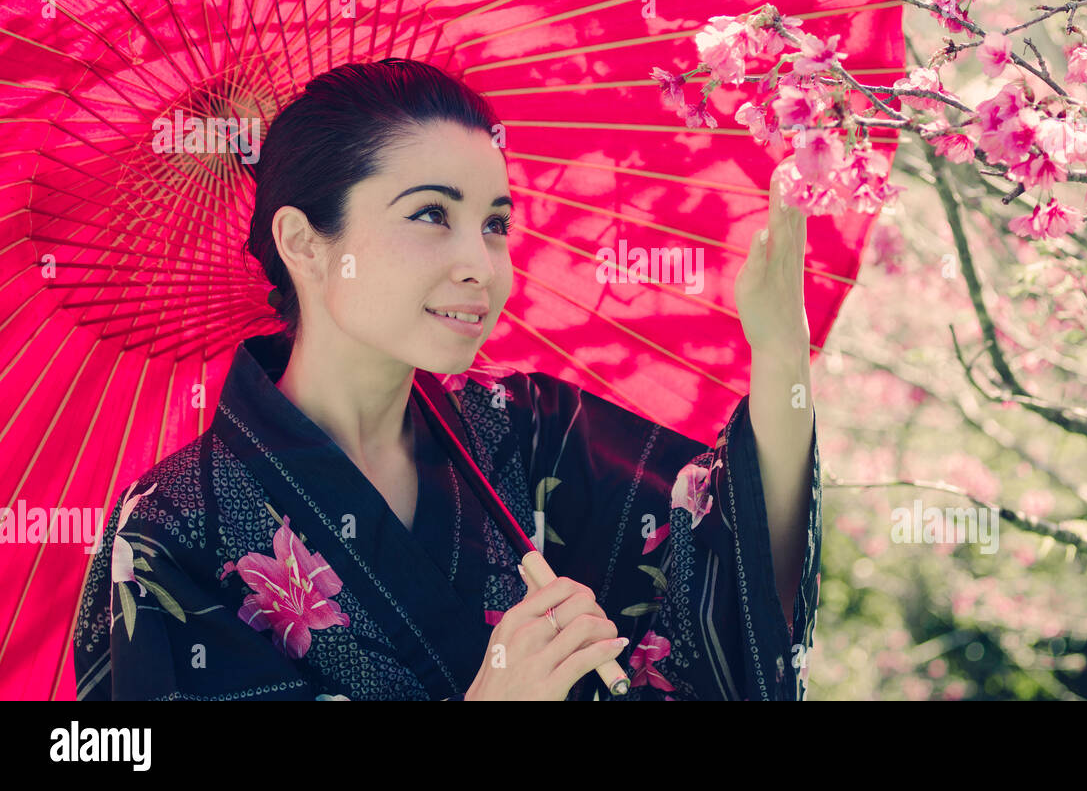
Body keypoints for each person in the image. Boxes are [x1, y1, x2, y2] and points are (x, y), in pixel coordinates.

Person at [72, 58, 822, 700]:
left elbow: (731, 568)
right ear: (303, 242)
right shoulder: (175, 528)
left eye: (496, 223)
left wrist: (783, 359)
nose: (480, 265)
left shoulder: (525, 428)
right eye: (432, 214)